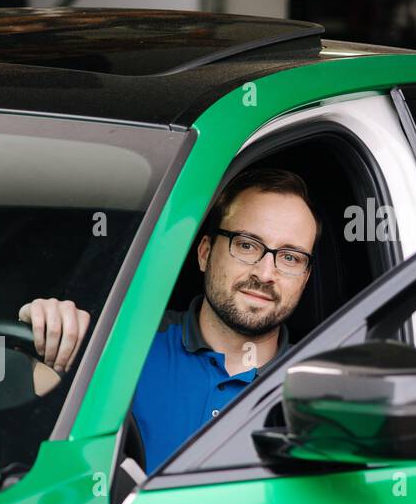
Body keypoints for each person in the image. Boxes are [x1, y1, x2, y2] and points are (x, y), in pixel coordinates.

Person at [21, 167, 319, 468]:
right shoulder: (121, 341)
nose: (265, 273)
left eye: (290, 257)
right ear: (205, 253)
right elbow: (36, 443)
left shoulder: (318, 391)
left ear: (305, 280)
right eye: (246, 245)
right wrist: (46, 337)